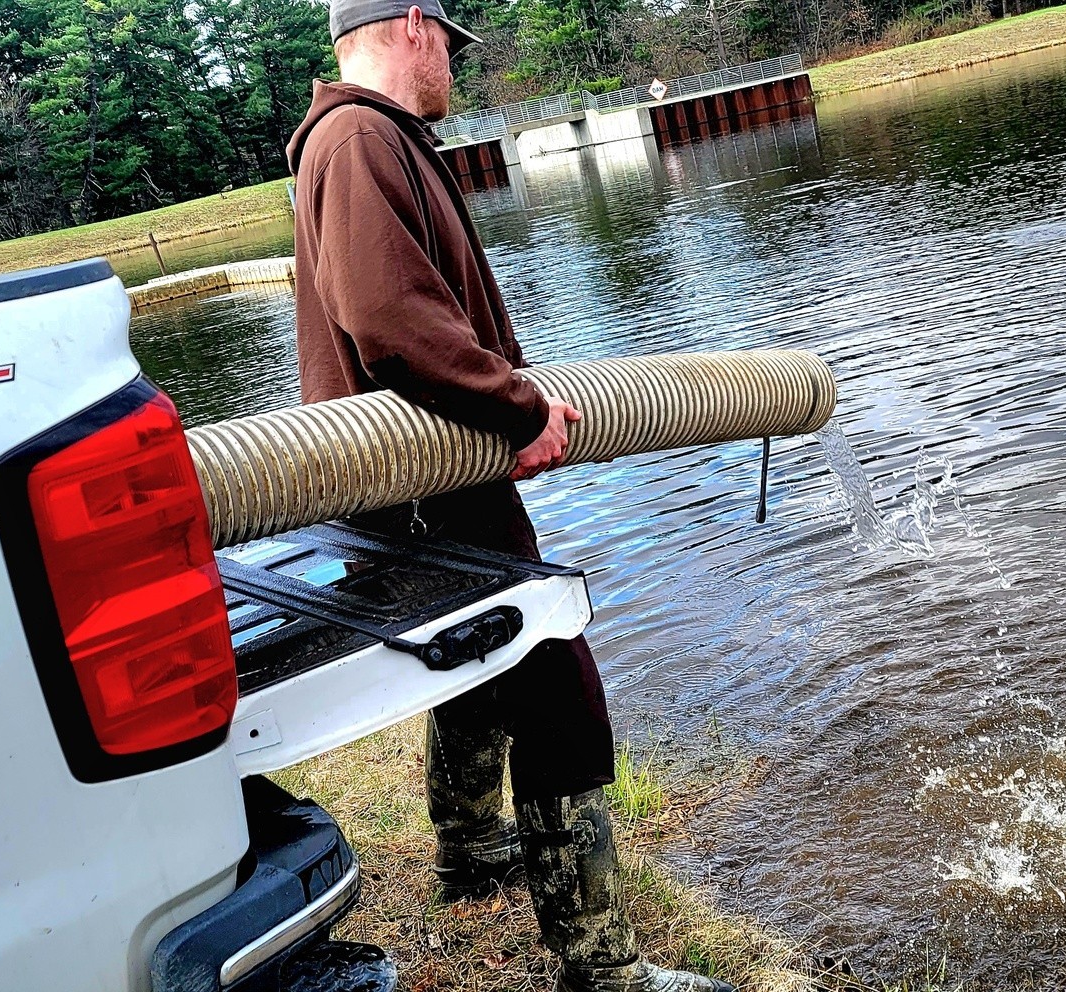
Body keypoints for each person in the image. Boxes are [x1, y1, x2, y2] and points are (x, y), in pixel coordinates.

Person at [285, 3, 734, 991]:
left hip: (432, 477)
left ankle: (467, 845)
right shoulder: (360, 136)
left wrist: (496, 409)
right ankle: (600, 965)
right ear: (410, 24)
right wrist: (516, 403)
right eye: (448, 40)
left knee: (479, 654)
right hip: (423, 486)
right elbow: (388, 316)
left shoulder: (370, 138)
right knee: (556, 683)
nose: (452, 62)